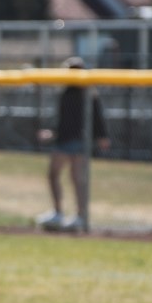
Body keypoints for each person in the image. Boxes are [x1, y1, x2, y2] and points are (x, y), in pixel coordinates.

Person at [36, 56, 110, 233]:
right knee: (68, 177)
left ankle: (70, 214)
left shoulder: (87, 94)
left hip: (73, 140)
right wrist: (52, 132)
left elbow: (96, 118)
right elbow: (63, 120)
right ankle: (72, 214)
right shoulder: (69, 93)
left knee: (69, 177)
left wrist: (102, 136)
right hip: (68, 139)